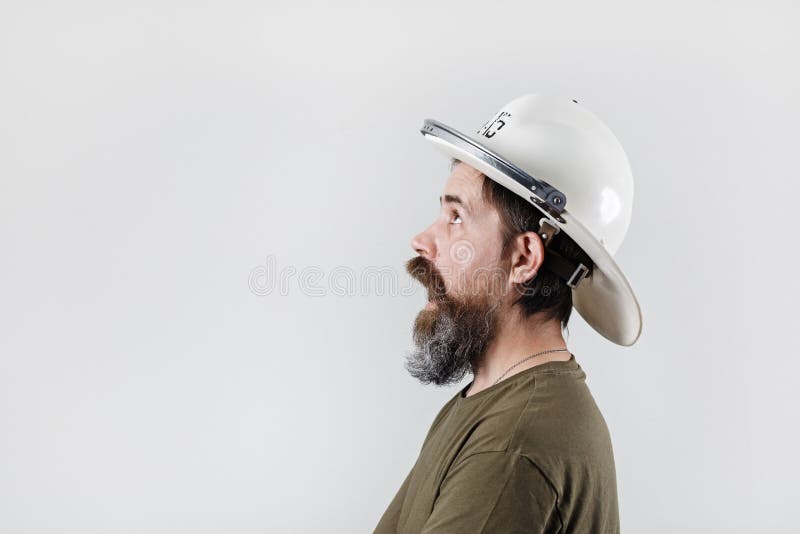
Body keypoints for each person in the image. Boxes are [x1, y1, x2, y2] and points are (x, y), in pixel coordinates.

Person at [373, 94, 642, 533]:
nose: (422, 241)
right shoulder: (493, 402)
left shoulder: (514, 444)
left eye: (456, 217)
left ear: (523, 258)